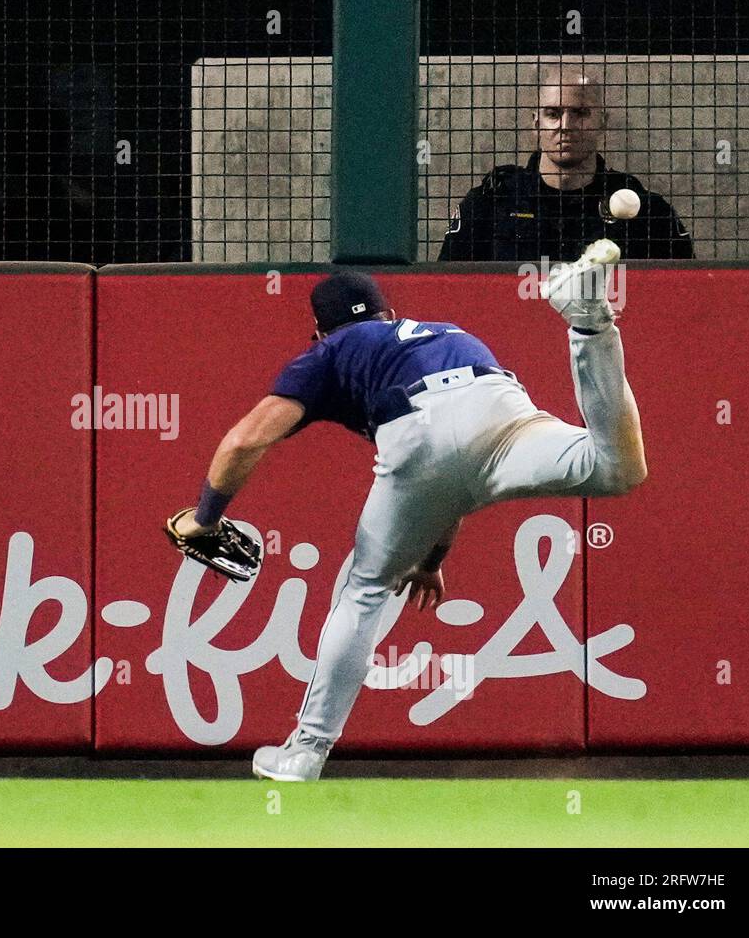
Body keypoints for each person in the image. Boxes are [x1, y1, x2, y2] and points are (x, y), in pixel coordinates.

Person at [167, 239, 647, 781]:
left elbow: (242, 443)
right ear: (389, 314)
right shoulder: (445, 330)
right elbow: (459, 470)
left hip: (418, 424)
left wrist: (204, 518)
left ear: (320, 332)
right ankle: (589, 325)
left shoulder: (325, 353)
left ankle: (306, 752)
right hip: (500, 406)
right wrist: (431, 557)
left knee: (364, 591)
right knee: (614, 469)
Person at [438, 67, 693, 261]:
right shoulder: (490, 203)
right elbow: (449, 291)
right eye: (553, 114)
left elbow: (687, 296)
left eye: (580, 113)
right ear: (536, 122)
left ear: (602, 122)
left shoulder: (649, 213)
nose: (566, 126)